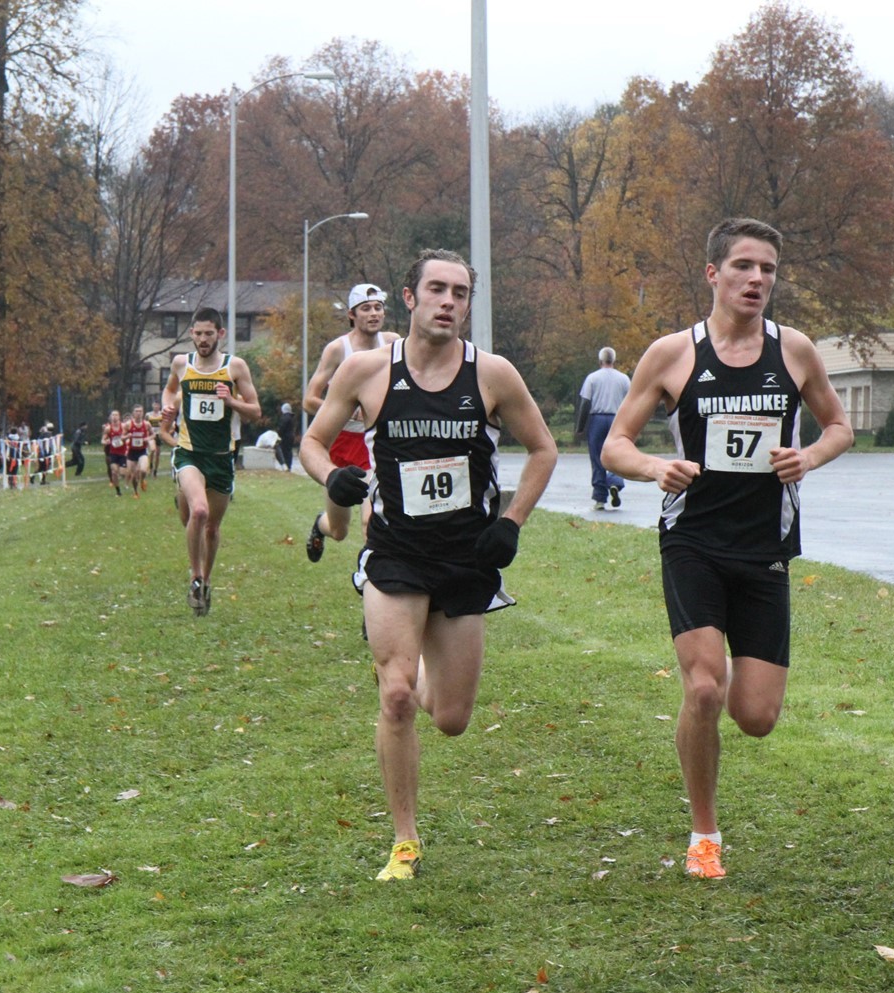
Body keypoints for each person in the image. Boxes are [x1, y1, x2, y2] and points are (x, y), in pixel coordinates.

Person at [601, 217, 854, 880]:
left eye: (768, 268)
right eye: (744, 266)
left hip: (765, 547)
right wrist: (657, 468)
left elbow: (839, 425)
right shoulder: (672, 354)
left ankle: (717, 725)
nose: (758, 279)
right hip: (694, 541)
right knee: (706, 685)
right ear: (713, 274)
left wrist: (810, 456)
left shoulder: (794, 350)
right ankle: (704, 833)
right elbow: (614, 444)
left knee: (757, 715)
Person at [300, 249, 557, 881]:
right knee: (394, 699)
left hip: (466, 559)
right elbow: (312, 439)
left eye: (460, 293)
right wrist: (333, 477)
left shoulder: (492, 375)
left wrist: (511, 523)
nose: (448, 301)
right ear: (409, 299)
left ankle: (412, 659)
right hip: (395, 551)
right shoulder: (365, 370)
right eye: (436, 290)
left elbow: (544, 450)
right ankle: (405, 842)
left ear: (469, 305)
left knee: (451, 719)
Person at [160, 307, 261, 616]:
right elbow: (169, 391)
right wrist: (167, 410)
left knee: (212, 528)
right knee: (199, 511)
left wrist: (230, 401)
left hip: (222, 457)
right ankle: (195, 577)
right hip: (190, 452)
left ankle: (206, 581)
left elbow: (255, 411)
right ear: (191, 334)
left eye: (208, 334)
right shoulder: (182, 363)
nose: (203, 340)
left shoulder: (236, 367)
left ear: (220, 334)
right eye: (198, 334)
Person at [302, 283, 403, 563]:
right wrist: (344, 409)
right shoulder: (338, 349)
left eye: (378, 307)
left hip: (378, 442)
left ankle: (375, 579)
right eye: (365, 309)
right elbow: (309, 400)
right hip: (342, 444)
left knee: (370, 519)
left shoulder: (394, 343)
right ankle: (319, 526)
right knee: (338, 530)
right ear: (352, 315)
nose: (373, 314)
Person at [578, 346, 630, 511]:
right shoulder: (624, 379)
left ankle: (600, 497)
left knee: (597, 457)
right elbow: (631, 402)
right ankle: (615, 481)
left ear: (600, 360)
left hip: (597, 420)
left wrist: (580, 426)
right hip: (617, 419)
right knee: (618, 454)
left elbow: (585, 403)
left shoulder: (592, 378)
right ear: (614, 360)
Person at [126, 405, 154, 496]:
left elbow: (153, 435)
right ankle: (135, 492)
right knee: (133, 475)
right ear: (133, 413)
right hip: (132, 451)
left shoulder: (146, 424)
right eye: (136, 411)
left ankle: (142, 481)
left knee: (143, 470)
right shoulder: (128, 424)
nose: (138, 413)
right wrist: (127, 436)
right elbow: (121, 436)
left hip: (142, 451)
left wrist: (148, 438)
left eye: (140, 411)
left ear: (143, 413)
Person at [102, 410, 128, 494]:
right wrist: (105, 442)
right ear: (110, 417)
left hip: (123, 453)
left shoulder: (124, 426)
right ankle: (118, 491)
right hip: (113, 453)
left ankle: (129, 478)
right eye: (113, 415)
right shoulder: (108, 428)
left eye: (116, 415)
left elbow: (129, 435)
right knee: (114, 472)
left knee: (122, 473)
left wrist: (125, 438)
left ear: (119, 417)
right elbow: (103, 439)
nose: (114, 417)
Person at [275, 402, 296, 471]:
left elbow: (281, 427)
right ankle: (289, 465)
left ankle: (286, 465)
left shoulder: (285, 417)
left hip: (285, 437)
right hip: (291, 436)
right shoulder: (291, 417)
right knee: (289, 451)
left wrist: (277, 433)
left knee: (284, 451)